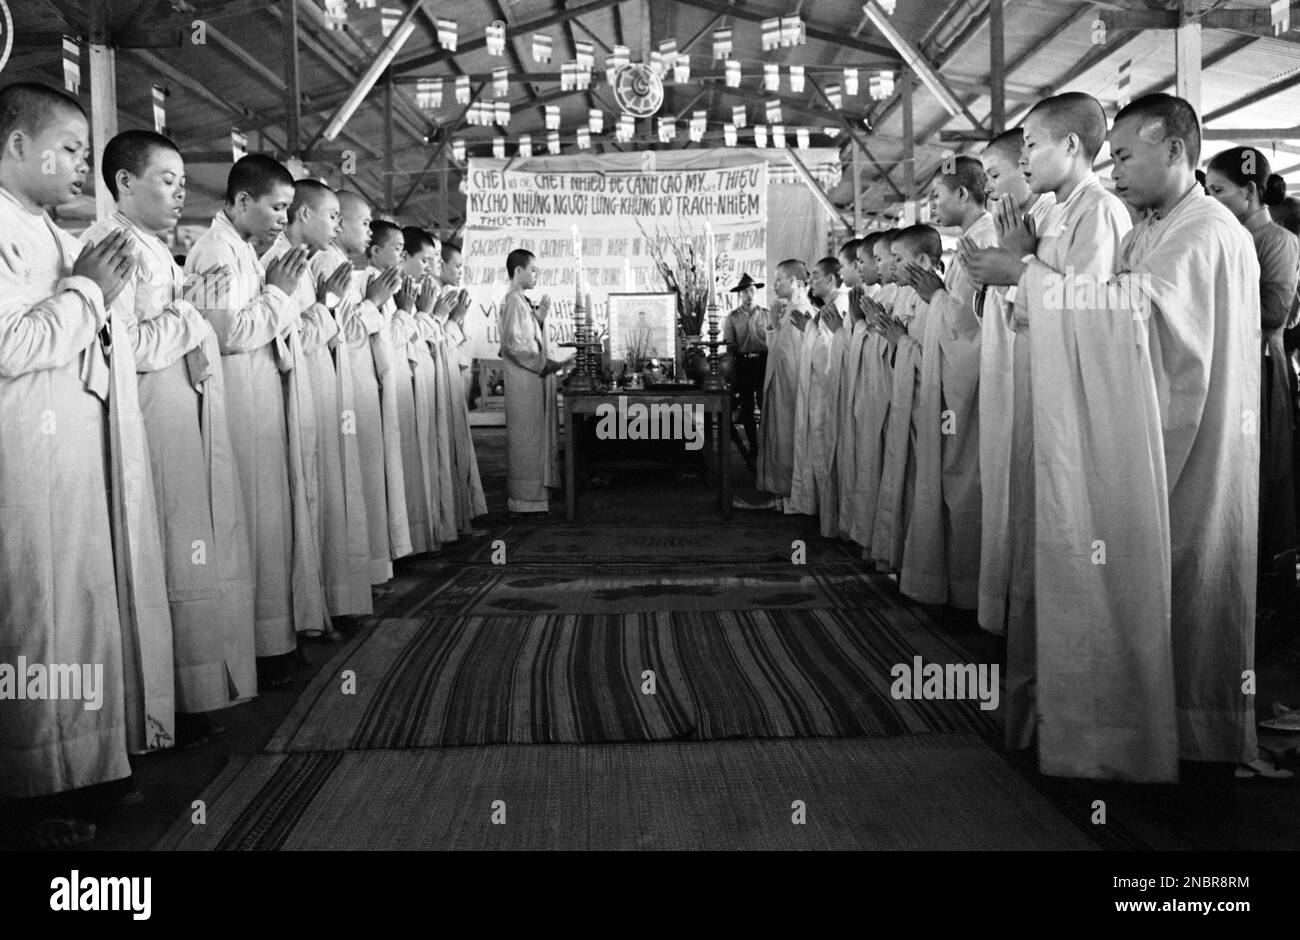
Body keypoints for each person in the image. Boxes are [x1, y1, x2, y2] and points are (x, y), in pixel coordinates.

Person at [963, 93, 1136, 765]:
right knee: (1041, 556)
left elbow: (1095, 318)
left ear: (1072, 147)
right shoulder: (1055, 214)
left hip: (1079, 417)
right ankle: (1040, 718)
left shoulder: (1101, 211)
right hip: (1045, 401)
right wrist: (1019, 269)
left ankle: (1081, 730)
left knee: (1071, 558)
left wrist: (1020, 269)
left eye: (1032, 145)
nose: (1024, 156)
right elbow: (1038, 311)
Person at [85, 129, 257, 748]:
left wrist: (185, 316)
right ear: (124, 183)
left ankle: (194, 685)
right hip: (149, 421)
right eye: (167, 180)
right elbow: (121, 348)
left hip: (182, 415)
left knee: (190, 551)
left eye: (185, 182)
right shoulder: (107, 247)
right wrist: (186, 316)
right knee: (164, 556)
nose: (181, 193)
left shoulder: (155, 249)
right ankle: (166, 701)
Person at [0, 82, 136, 847]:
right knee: (33, 616)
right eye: (72, 148)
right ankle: (34, 781)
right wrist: (90, 289)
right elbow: (11, 345)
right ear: (18, 145)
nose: (83, 164)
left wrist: (89, 288)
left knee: (73, 603)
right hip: (22, 450)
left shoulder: (46, 228)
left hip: (64, 446)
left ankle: (82, 759)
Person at [185, 154, 322, 685]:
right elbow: (226, 335)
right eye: (278, 208)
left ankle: (271, 639)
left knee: (269, 519)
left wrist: (277, 299)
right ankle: (256, 649)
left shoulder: (240, 248)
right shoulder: (214, 252)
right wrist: (280, 296)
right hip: (237, 401)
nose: (284, 221)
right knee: (250, 522)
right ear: (242, 201)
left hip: (260, 396)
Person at [265, 180, 372, 622]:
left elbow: (327, 327)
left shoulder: (305, 262)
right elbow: (290, 335)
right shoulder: (280, 261)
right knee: (304, 494)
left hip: (322, 383)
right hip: (295, 387)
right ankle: (311, 610)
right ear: (304, 214)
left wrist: (327, 312)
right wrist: (327, 310)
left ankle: (328, 600)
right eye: (334, 217)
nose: (339, 225)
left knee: (327, 488)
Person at [896, 157, 994, 613]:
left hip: (976, 394)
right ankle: (959, 587)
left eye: (937, 195)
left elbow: (975, 328)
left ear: (960, 194)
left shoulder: (986, 241)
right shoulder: (969, 244)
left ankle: (975, 594)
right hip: (957, 390)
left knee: (968, 485)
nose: (932, 205)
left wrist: (935, 296)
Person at [1205, 147, 1298, 601]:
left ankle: (1259, 583)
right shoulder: (1226, 236)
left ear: (1250, 191)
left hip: (1261, 364)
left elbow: (1275, 310)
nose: (1212, 199)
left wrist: (1207, 296)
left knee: (1259, 470)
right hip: (1233, 361)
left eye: (1219, 190)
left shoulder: (1276, 241)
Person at [975, 129, 1054, 644]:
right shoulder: (1030, 219)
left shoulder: (1085, 214)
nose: (994, 189)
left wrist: (1021, 265)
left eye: (1000, 175)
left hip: (1046, 385)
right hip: (1014, 376)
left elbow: (1088, 312)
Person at [310, 191, 407, 583]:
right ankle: (354, 574)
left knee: (365, 474)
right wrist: (374, 302)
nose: (366, 231)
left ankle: (367, 566)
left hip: (359, 377)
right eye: (362, 222)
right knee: (353, 478)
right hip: (343, 378)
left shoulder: (336, 262)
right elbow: (344, 331)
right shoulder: (326, 261)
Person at [869, 225, 942, 572]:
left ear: (924, 260)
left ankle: (919, 567)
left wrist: (900, 341)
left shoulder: (933, 301)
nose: (893, 267)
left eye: (898, 259)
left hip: (926, 410)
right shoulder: (910, 296)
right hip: (905, 403)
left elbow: (940, 360)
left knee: (919, 487)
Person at [499, 249, 565, 515]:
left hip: (529, 381)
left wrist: (537, 321)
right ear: (518, 270)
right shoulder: (514, 301)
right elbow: (512, 345)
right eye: (533, 269)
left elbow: (525, 338)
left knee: (532, 437)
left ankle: (534, 497)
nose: (537, 274)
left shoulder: (521, 301)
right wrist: (544, 364)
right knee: (527, 439)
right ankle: (525, 499)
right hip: (524, 382)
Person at [747, 259, 812, 510]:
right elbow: (778, 350)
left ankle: (791, 494)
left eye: (779, 279)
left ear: (794, 282)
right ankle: (783, 494)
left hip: (793, 386)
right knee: (780, 435)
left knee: (789, 436)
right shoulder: (788, 309)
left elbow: (804, 353)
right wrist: (774, 325)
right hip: (780, 382)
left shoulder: (802, 310)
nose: (774, 285)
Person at [723, 272, 768, 470]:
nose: (749, 295)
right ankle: (754, 444)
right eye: (745, 292)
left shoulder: (766, 314)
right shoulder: (732, 318)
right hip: (743, 363)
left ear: (755, 292)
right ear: (740, 295)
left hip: (764, 361)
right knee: (748, 406)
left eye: (751, 290)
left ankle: (768, 443)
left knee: (766, 403)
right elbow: (730, 346)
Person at [438, 240, 476, 407]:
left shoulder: (448, 292)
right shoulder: (437, 296)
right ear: (442, 265)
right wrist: (455, 320)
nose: (461, 272)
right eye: (457, 266)